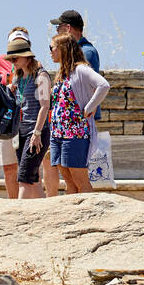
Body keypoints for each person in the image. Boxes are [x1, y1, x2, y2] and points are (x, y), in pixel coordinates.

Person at [48, 34, 110, 195]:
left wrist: (90, 106)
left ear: (63, 49)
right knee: (68, 181)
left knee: (80, 180)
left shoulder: (81, 69)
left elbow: (103, 85)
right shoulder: (62, 73)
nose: (50, 52)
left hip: (75, 133)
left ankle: (92, 216)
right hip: (58, 134)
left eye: (52, 48)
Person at [6, 34, 52, 200]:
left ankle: (18, 214)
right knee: (32, 178)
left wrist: (37, 133)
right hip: (21, 132)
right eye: (10, 58)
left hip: (36, 132)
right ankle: (43, 213)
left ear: (27, 56)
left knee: (24, 176)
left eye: (15, 57)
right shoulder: (18, 77)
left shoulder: (41, 76)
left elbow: (45, 106)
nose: (13, 61)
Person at [0, 27, 30, 199]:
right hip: (6, 120)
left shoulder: (35, 65)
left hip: (27, 120)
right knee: (9, 165)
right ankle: (13, 203)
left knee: (27, 165)